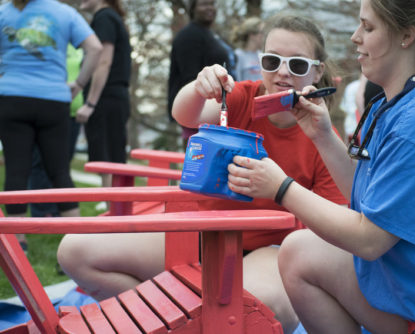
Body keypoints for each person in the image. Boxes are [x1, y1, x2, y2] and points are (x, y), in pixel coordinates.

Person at [57, 14, 348, 333]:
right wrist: (199, 87)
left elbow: (331, 220)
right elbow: (187, 115)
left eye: (297, 65)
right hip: (201, 235)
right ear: (258, 61)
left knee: (255, 310)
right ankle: (170, 321)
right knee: (75, 251)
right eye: (272, 60)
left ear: (318, 70)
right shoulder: (240, 97)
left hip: (269, 249)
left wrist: (281, 188)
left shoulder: (325, 136)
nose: (282, 71)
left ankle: (180, 319)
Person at [226, 0, 415, 333]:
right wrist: (323, 136)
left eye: (368, 27)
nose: (356, 37)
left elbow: (370, 240)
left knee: (303, 249)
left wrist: (281, 188)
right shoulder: (397, 102)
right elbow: (367, 194)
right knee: (300, 252)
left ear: (406, 36)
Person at [0, 0, 102, 247]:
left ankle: (17, 244)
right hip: (53, 100)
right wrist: (78, 83)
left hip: (11, 97)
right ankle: (77, 241)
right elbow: (95, 48)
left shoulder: (3, 12)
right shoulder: (64, 12)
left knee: (16, 170)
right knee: (59, 171)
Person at [76, 0, 132, 188]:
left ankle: (114, 215)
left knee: (106, 162)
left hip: (106, 100)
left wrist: (90, 103)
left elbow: (103, 62)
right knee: (114, 161)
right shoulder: (111, 18)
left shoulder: (104, 18)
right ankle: (117, 214)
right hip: (114, 98)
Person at [28, 44, 85, 218]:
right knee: (39, 163)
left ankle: (59, 208)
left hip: (72, 113)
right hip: (45, 109)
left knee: (62, 164)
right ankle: (43, 211)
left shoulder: (79, 48)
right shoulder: (44, 43)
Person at [167, 0, 230, 150]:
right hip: (198, 111)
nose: (210, 8)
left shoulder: (211, 35)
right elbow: (189, 77)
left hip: (215, 109)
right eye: (204, 4)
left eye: (212, 4)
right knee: (197, 162)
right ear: (193, 9)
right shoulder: (189, 36)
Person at [231, 16, 264, 82]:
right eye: (262, 32)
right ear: (252, 35)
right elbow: (236, 81)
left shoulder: (262, 55)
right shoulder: (238, 55)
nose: (265, 35)